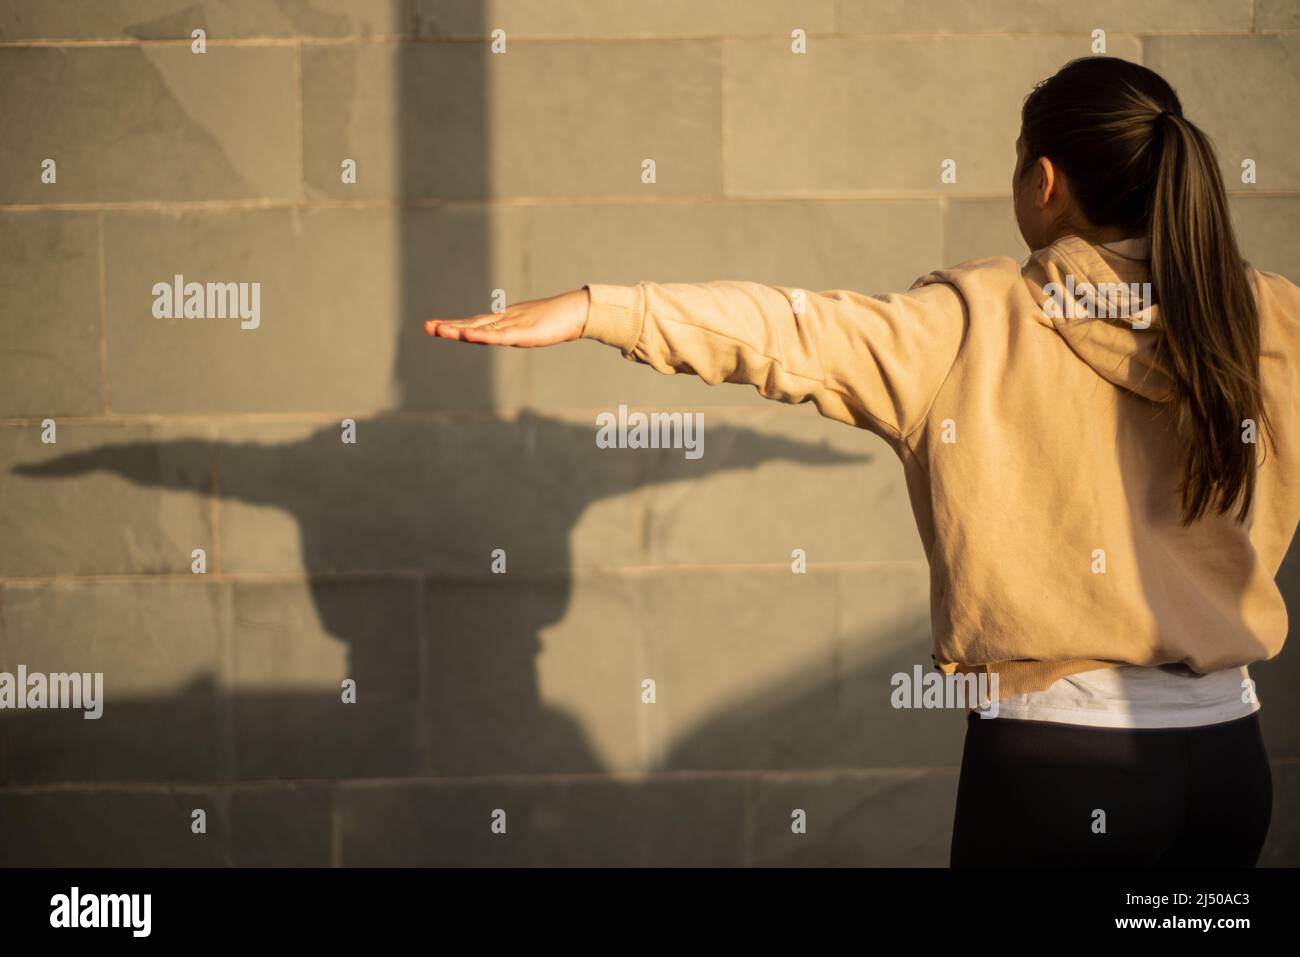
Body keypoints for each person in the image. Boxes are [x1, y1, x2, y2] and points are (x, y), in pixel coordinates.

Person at [424, 57, 1299, 867]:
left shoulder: (977, 322)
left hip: (1061, 771)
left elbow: (786, 329)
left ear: (1045, 182)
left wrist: (597, 308)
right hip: (1226, 770)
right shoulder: (1268, 321)